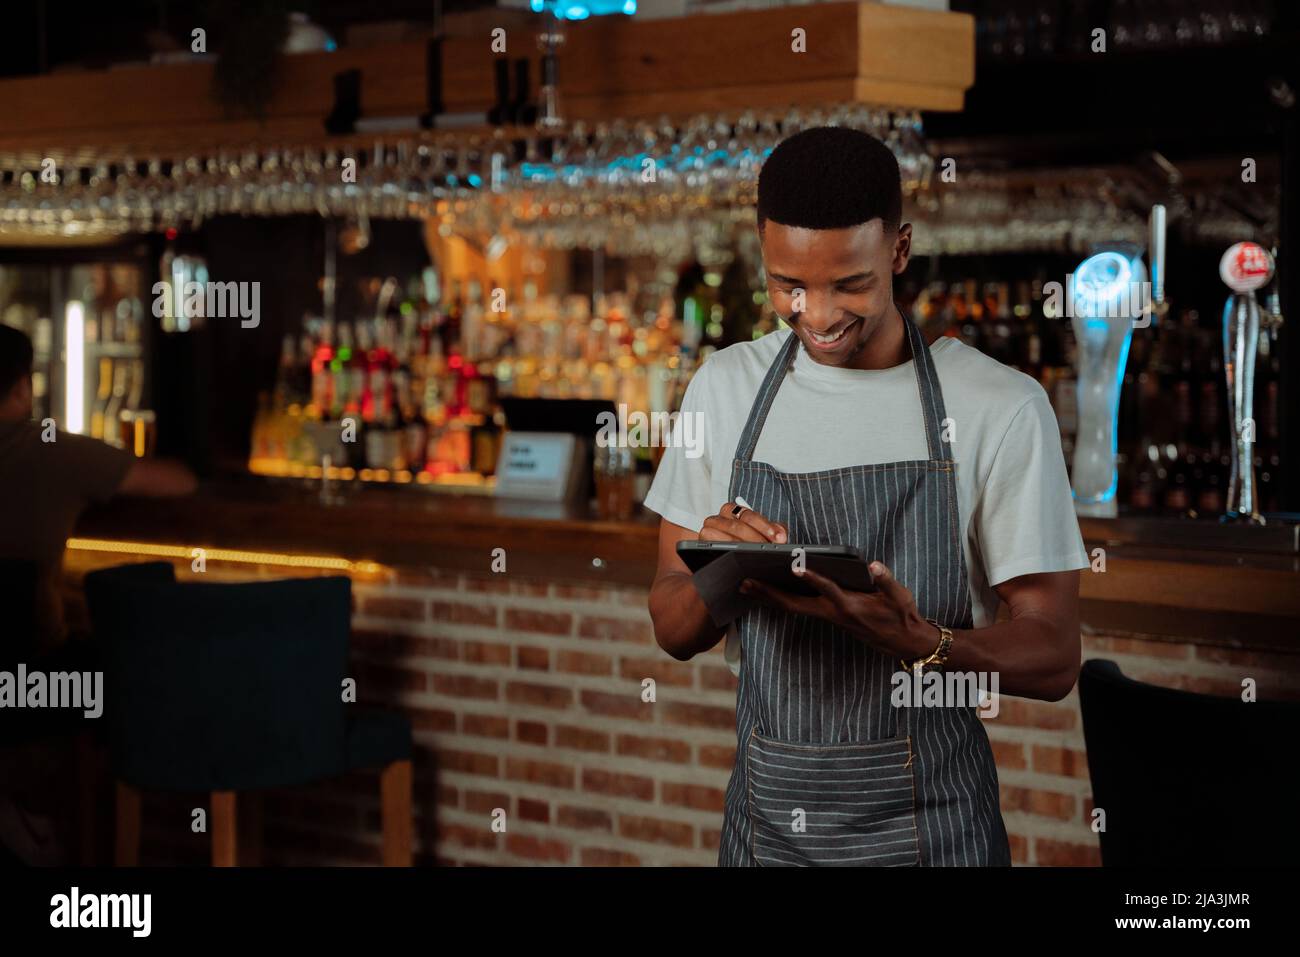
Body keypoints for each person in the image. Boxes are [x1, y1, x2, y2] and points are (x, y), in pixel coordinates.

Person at [644, 127, 1089, 867]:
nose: (816, 314)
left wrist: (925, 643)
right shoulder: (723, 391)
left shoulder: (999, 406)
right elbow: (670, 624)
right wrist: (720, 569)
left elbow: (1053, 655)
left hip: (935, 835)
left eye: (849, 283)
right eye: (789, 283)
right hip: (767, 837)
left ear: (900, 250)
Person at [0, 323, 196, 865]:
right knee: (128, 666)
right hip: (29, 680)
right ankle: (67, 838)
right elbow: (178, 483)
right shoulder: (53, 451)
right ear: (22, 387)